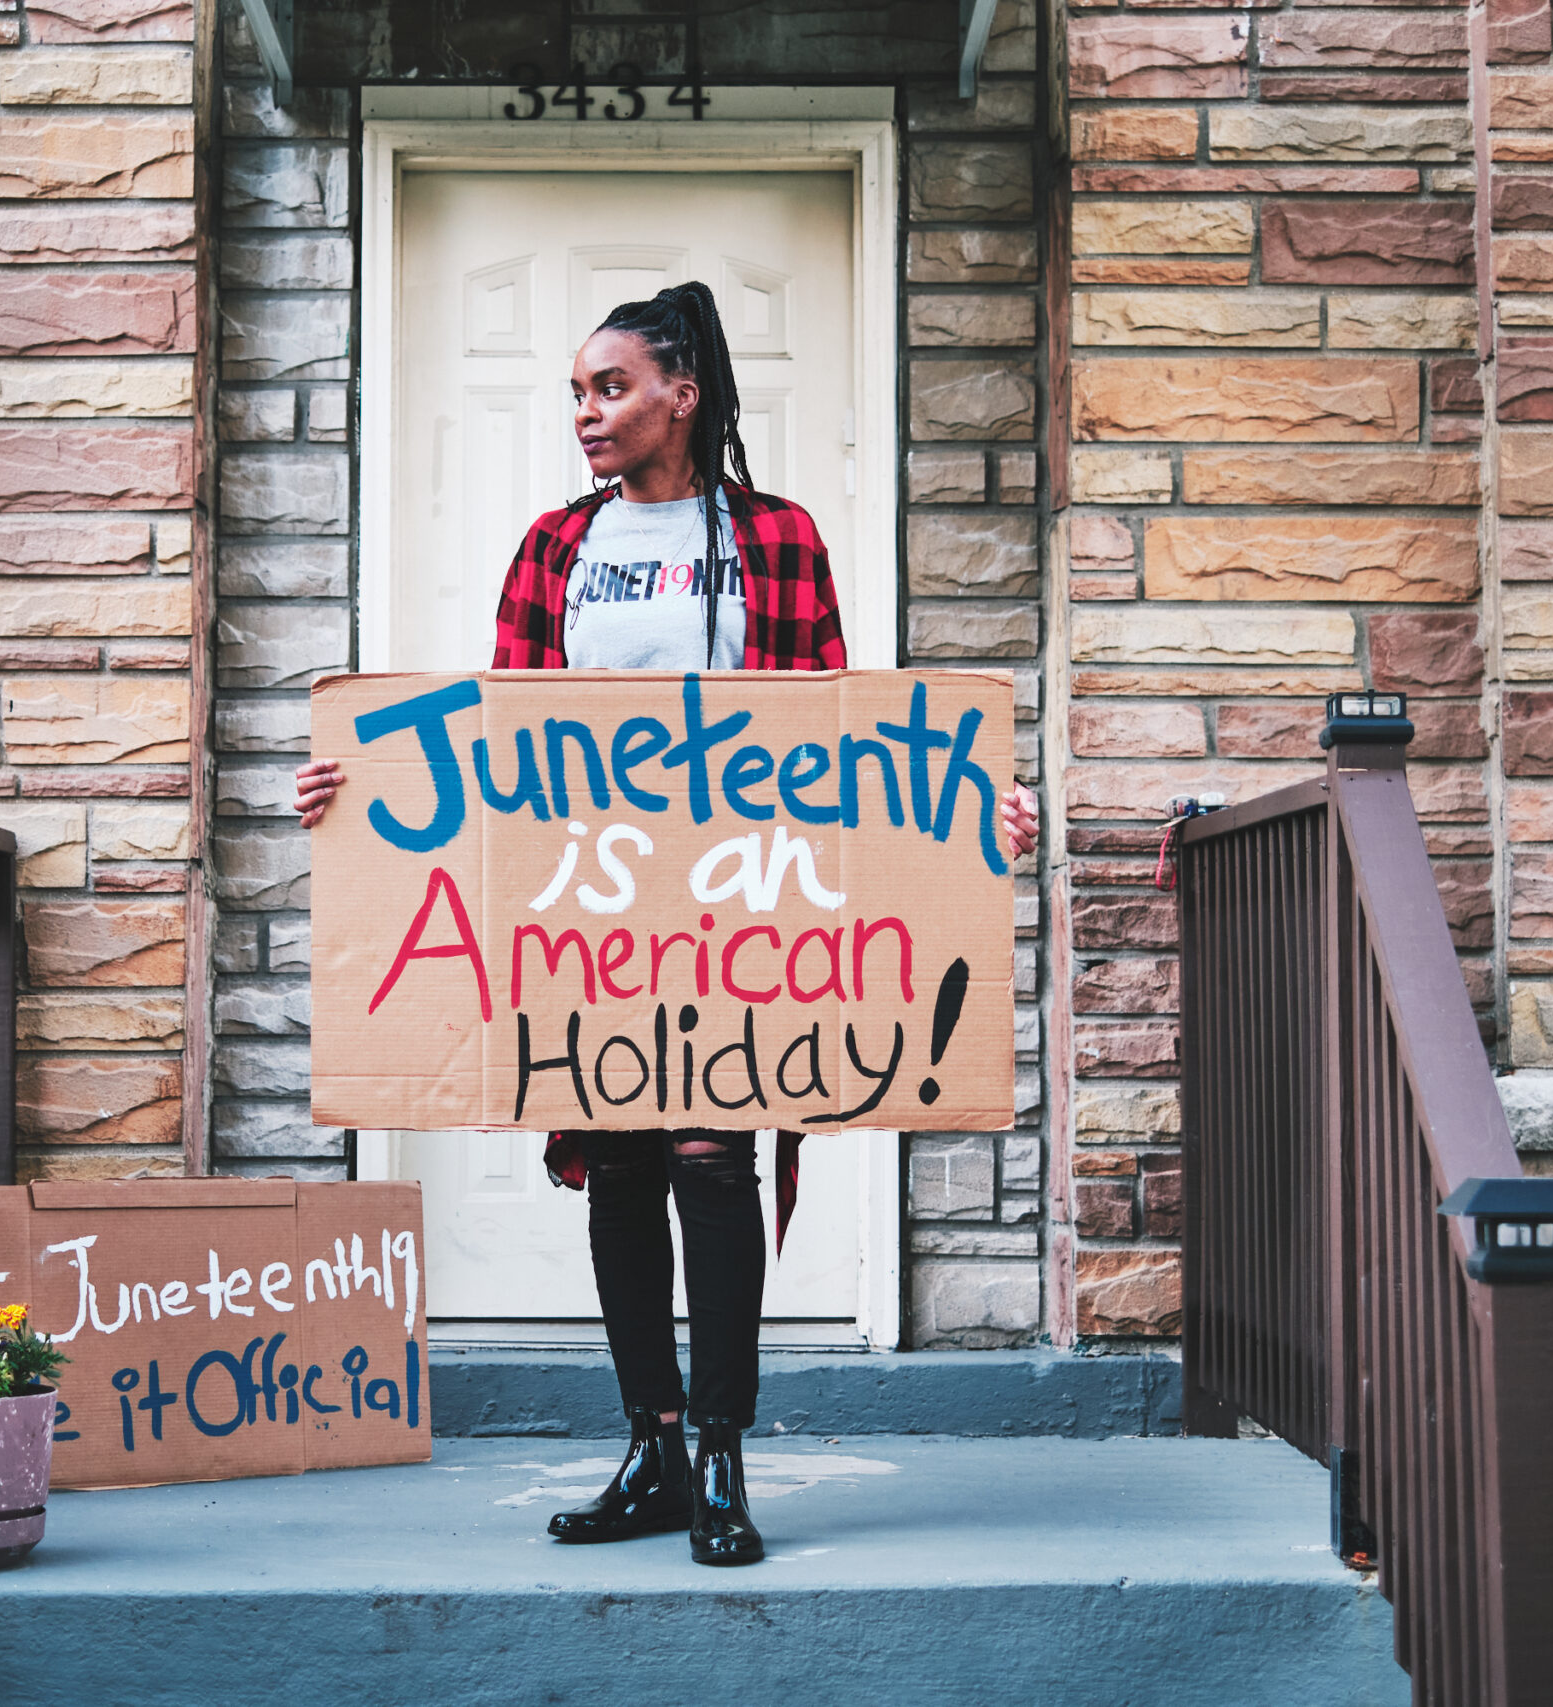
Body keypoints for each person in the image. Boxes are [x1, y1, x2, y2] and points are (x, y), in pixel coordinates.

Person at [294, 282, 1038, 1567]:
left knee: (710, 1150)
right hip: (590, 898)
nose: (586, 414)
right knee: (625, 1157)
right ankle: (650, 1444)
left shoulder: (780, 541)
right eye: (577, 393)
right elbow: (496, 731)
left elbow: (840, 737)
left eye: (610, 388)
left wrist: (972, 815)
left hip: (736, 896)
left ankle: (721, 1453)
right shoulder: (552, 549)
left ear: (679, 395)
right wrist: (359, 793)